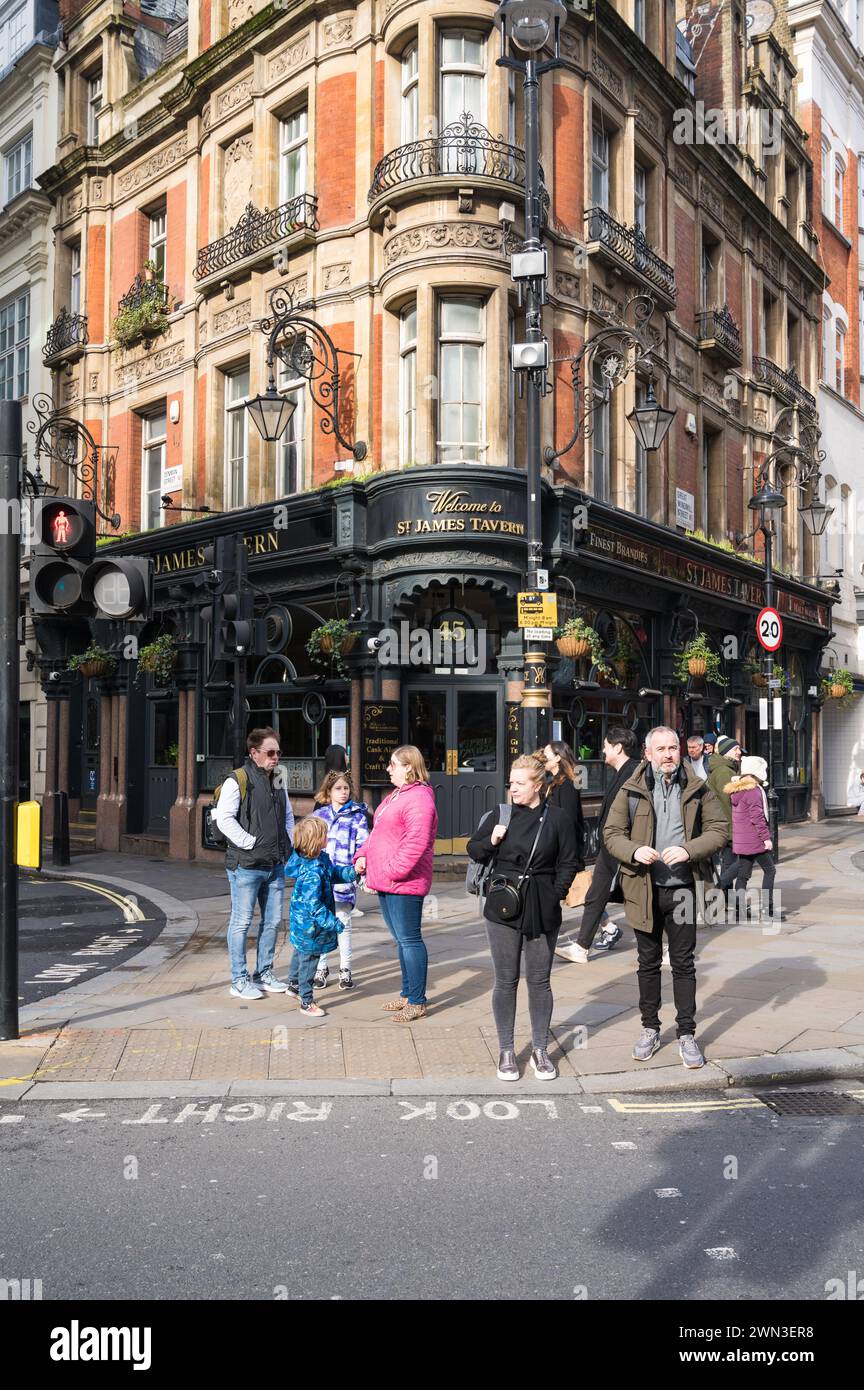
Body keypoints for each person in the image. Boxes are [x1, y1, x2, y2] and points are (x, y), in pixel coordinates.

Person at [603, 725, 727, 1069]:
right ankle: (650, 1029)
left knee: (684, 963)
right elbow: (611, 834)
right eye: (662, 749)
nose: (669, 754)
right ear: (648, 753)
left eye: (674, 747)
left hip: (684, 889)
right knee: (648, 962)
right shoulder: (631, 789)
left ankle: (686, 1033)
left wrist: (689, 850)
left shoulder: (699, 788)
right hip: (643, 889)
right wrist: (634, 850)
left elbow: (719, 830)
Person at [467, 755, 580, 1082]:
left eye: (520, 783)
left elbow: (569, 862)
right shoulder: (499, 816)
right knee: (505, 979)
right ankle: (506, 1051)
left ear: (537, 785)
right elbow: (473, 852)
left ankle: (540, 1050)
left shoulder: (557, 819)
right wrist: (492, 840)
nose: (512, 789)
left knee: (540, 980)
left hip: (542, 907)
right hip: (502, 905)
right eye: (511, 783)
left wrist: (554, 894)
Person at [354, 745, 438, 1023]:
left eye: (393, 764)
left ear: (409, 768)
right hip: (387, 881)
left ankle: (417, 1001)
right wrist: (363, 855)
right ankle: (407, 994)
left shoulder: (419, 800)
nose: (388, 768)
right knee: (401, 940)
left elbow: (416, 843)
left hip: (404, 883)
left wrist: (393, 870)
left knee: (410, 939)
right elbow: (378, 833)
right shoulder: (396, 796)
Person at [215, 727, 295, 1000]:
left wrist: (289, 843)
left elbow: (287, 814)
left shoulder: (278, 778)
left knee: (272, 921)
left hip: (274, 864)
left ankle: (264, 974)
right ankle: (238, 980)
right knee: (242, 921)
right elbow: (225, 819)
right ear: (254, 753)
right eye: (270, 753)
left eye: (278, 753)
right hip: (246, 865)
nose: (275, 758)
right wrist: (250, 843)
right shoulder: (237, 779)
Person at [556, 726, 640, 963]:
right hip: (612, 845)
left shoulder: (634, 772)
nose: (602, 750)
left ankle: (666, 945)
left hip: (624, 844)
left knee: (644, 896)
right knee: (595, 894)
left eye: (605, 745)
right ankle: (582, 947)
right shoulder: (622, 771)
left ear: (617, 747)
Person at [285, 817, 357, 1017]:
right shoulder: (312, 873)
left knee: (300, 951)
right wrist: (334, 923)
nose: (328, 837)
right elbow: (314, 907)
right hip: (310, 925)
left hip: (303, 924)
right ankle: (306, 1001)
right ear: (315, 841)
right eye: (324, 835)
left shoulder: (321, 860)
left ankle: (292, 984)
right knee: (309, 959)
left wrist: (352, 873)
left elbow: (333, 873)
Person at [311, 769, 369, 990]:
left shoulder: (357, 817)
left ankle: (345, 968)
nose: (343, 792)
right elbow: (309, 844)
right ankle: (321, 967)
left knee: (343, 923)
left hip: (344, 879)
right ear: (328, 791)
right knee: (322, 924)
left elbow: (364, 846)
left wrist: (360, 870)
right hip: (322, 879)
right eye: (338, 789)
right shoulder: (320, 816)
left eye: (346, 788)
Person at [727, 755, 778, 920]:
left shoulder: (738, 789)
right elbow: (757, 818)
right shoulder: (754, 791)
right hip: (754, 840)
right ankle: (767, 910)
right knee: (770, 870)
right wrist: (766, 839)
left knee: (743, 875)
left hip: (742, 840)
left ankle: (740, 910)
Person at [540, 740, 585, 871]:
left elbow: (569, 821)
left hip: (564, 855)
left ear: (558, 758)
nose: (542, 757)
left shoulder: (566, 786)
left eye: (546, 754)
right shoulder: (553, 782)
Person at [706, 734, 741, 888]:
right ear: (726, 752)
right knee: (741, 863)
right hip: (729, 827)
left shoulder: (725, 769)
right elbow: (728, 802)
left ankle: (724, 897)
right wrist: (734, 830)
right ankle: (720, 890)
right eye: (735, 749)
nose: (739, 752)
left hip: (726, 826)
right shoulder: (724, 772)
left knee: (729, 863)